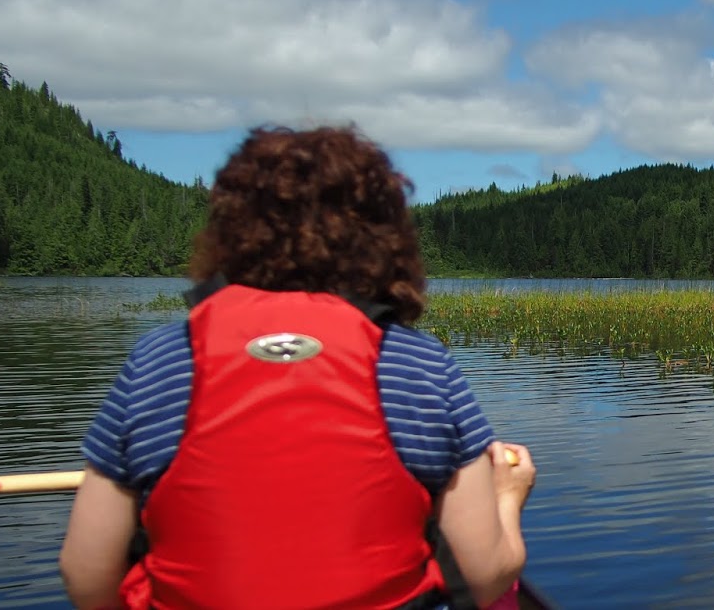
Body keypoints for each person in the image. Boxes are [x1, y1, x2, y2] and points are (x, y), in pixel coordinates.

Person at [59, 125, 535, 609]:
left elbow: (86, 578)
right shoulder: (422, 366)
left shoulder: (158, 360)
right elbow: (485, 577)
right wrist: (507, 498)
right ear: (384, 240)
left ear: (232, 233)